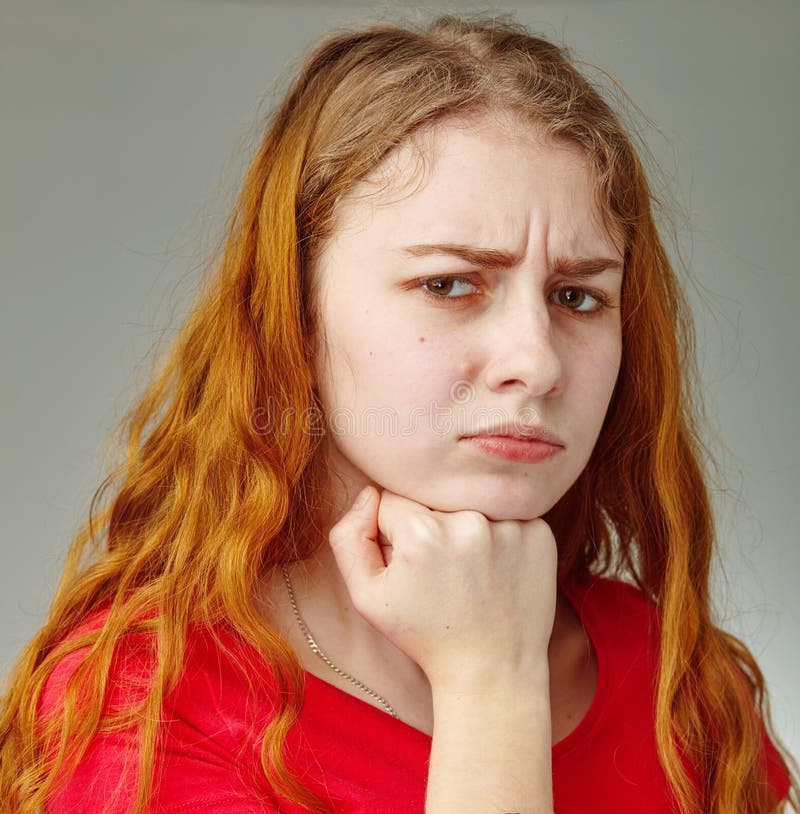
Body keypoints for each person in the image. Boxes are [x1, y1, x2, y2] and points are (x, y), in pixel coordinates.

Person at [0, 12, 796, 814]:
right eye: (450, 284)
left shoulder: (678, 685)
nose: (538, 360)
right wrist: (491, 688)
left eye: (577, 297)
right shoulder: (147, 709)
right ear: (296, 313)